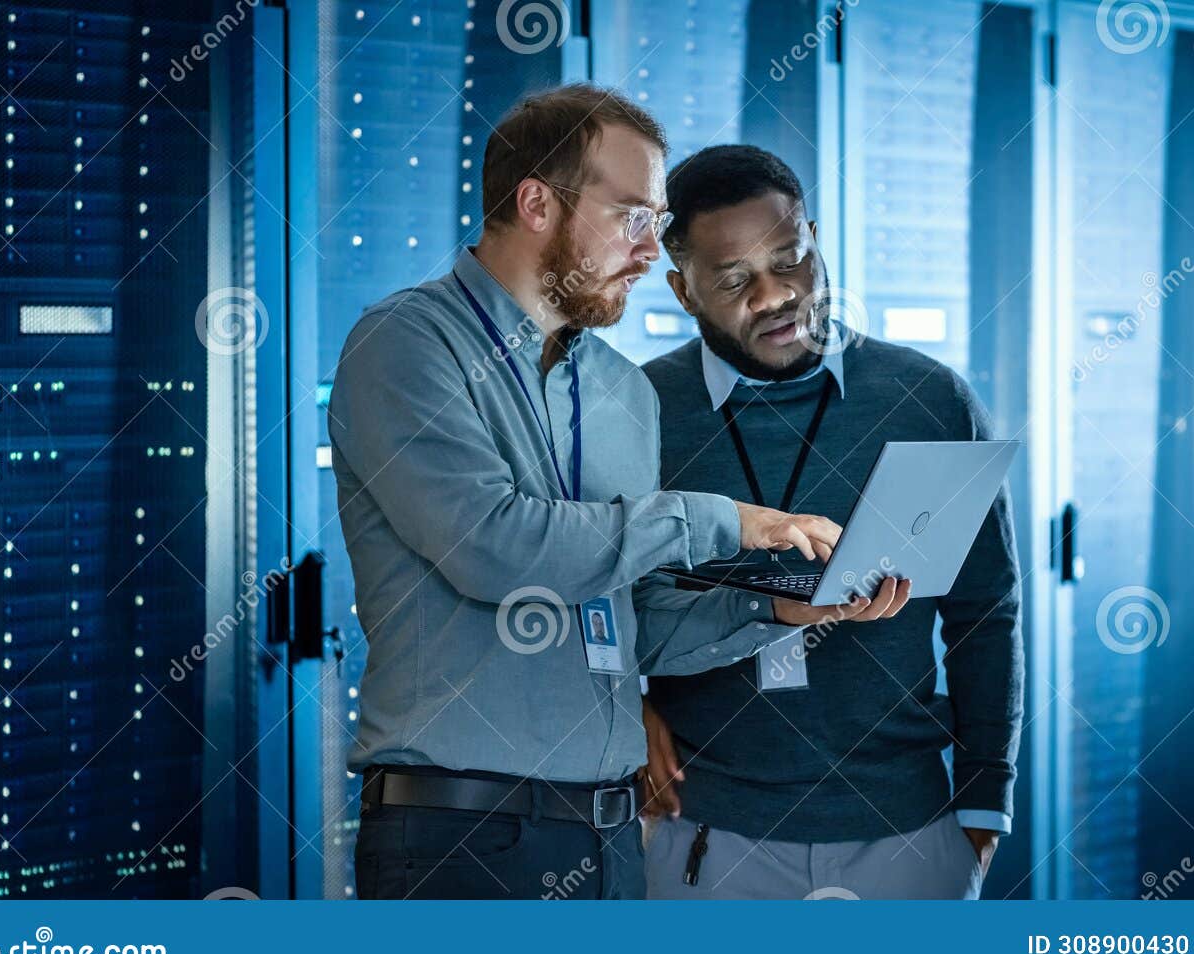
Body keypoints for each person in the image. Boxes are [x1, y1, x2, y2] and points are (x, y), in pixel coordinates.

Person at [328, 88, 910, 900]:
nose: (650, 251)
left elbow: (634, 627)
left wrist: (777, 611)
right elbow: (496, 549)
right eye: (633, 216)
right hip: (462, 835)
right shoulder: (407, 344)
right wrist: (727, 521)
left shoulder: (619, 391)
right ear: (536, 202)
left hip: (609, 835)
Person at [638, 145, 1024, 899]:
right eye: (735, 280)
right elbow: (600, 599)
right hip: (708, 836)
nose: (778, 295)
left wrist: (985, 800)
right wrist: (630, 707)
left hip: (907, 832)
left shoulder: (927, 398)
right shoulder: (641, 414)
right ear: (684, 292)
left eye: (792, 259)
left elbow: (987, 612)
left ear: (814, 236)